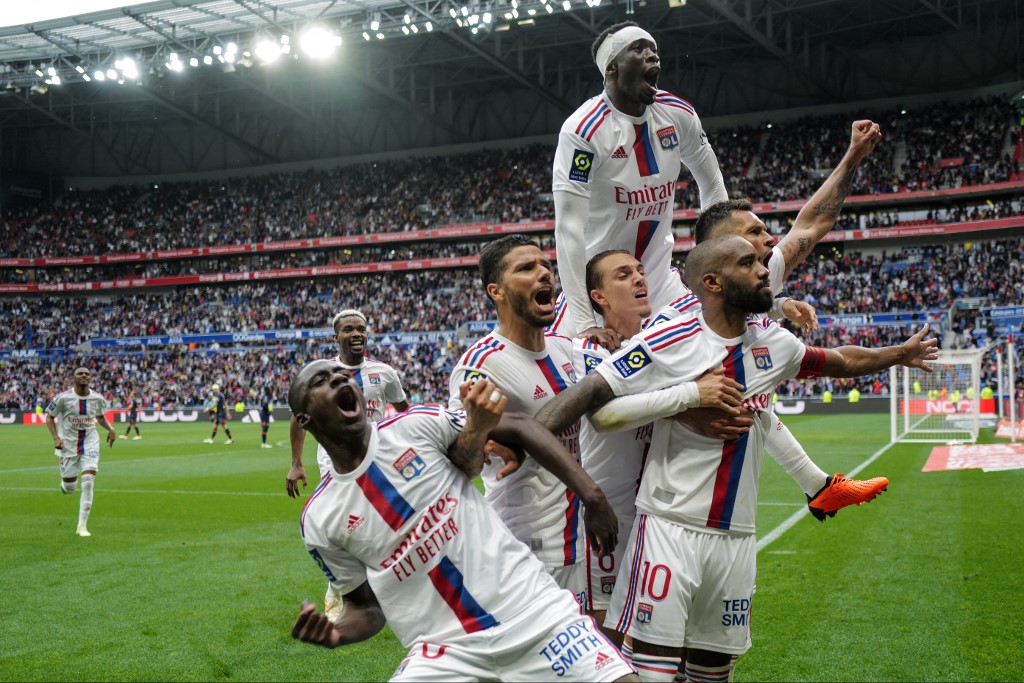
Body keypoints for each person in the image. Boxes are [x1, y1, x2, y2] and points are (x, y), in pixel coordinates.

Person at [536, 235, 938, 682]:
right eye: (749, 263)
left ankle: (820, 486)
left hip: (738, 537)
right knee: (651, 671)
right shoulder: (668, 337)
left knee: (713, 672)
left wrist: (900, 354)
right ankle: (821, 487)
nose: (765, 269)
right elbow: (595, 402)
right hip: (670, 528)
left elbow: (839, 361)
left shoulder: (776, 344)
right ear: (712, 281)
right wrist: (520, 439)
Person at [288, 359, 638, 682]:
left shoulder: (415, 425)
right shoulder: (320, 519)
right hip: (443, 652)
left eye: (343, 375)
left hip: (532, 611)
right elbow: (366, 610)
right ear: (303, 419)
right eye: (322, 381)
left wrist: (592, 495)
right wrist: (337, 632)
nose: (338, 377)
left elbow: (518, 425)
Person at [551, 21, 728, 343]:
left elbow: (713, 186)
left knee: (720, 353)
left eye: (655, 50)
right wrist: (583, 321)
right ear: (612, 69)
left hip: (661, 283)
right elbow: (568, 228)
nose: (653, 57)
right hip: (599, 293)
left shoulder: (678, 113)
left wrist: (718, 262)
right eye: (639, 49)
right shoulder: (583, 130)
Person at [447, 234, 600, 606]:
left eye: (545, 265)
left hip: (574, 541)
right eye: (526, 268)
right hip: (522, 545)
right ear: (496, 291)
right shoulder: (482, 364)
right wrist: (476, 430)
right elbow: (460, 465)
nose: (544, 273)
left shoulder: (567, 351)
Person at [286, 308, 410, 624]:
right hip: (335, 463)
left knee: (385, 526)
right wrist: (296, 463)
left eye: (361, 329)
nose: (356, 334)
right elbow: (298, 420)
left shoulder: (384, 373)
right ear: (336, 336)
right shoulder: (321, 377)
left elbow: (404, 410)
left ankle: (390, 591)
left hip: (378, 461)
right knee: (346, 527)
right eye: (349, 329)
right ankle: (338, 591)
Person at [45, 367, 117, 537]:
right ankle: (65, 485)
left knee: (88, 481)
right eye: (80, 373)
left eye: (87, 373)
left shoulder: (97, 398)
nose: (84, 376)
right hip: (68, 446)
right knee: (70, 488)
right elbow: (49, 416)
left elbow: (99, 417)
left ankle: (82, 526)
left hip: (90, 443)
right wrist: (56, 437)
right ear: (74, 378)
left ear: (91, 377)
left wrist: (111, 429)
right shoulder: (62, 398)